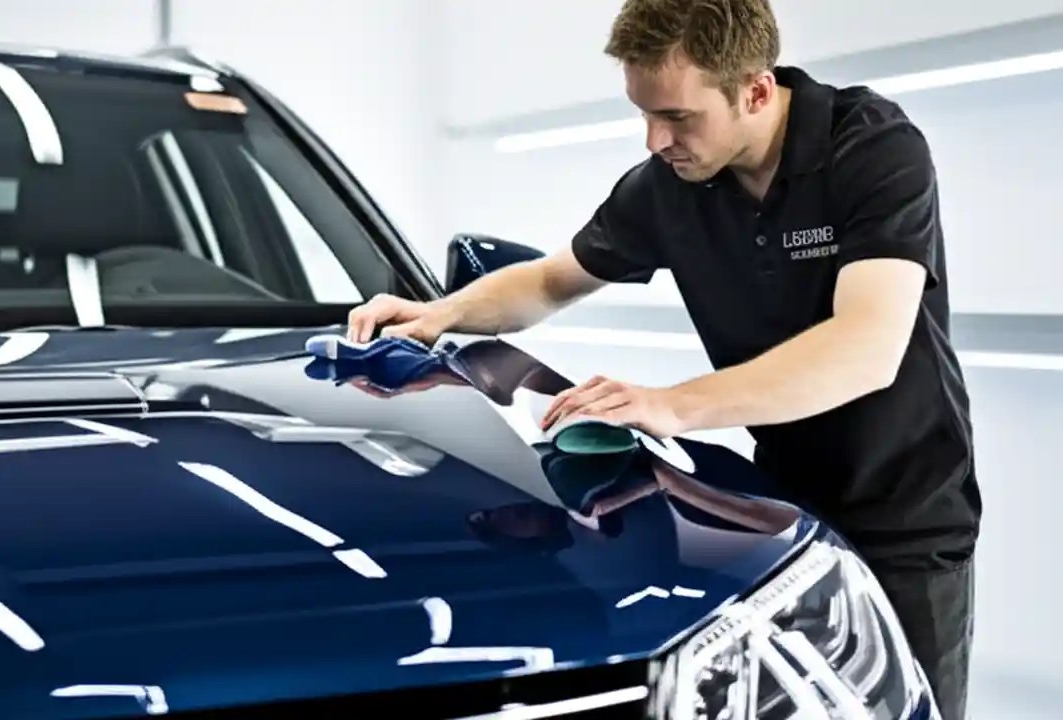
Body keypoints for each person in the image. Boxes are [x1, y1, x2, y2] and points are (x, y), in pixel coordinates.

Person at [344, 0, 979, 716]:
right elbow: (553, 279)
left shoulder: (871, 150)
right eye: (643, 114)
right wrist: (438, 315)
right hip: (779, 511)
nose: (654, 140)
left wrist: (669, 403)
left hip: (907, 515)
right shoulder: (670, 187)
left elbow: (867, 347)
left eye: (676, 117)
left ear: (756, 91)